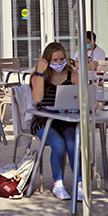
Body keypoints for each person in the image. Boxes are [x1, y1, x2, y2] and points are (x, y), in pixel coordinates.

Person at [27, 41, 81, 201]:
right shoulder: (38, 76)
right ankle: (58, 183)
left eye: (61, 59)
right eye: (55, 60)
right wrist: (40, 73)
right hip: (44, 120)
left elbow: (81, 95)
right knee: (58, 144)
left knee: (73, 143)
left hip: (65, 118)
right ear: (46, 60)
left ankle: (80, 183)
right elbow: (37, 98)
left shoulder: (73, 75)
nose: (58, 63)